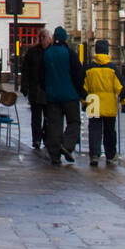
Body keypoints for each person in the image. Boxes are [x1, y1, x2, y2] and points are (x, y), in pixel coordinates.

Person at [41, 26, 85, 165]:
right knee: (74, 122)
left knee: (54, 125)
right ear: (65, 38)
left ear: (54, 38)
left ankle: (55, 156)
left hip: (52, 96)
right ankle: (67, 145)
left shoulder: (47, 53)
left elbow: (40, 75)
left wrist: (47, 89)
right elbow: (78, 75)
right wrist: (80, 92)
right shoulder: (70, 53)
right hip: (70, 95)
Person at [82, 38, 125, 167]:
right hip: (109, 104)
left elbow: (84, 88)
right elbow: (121, 87)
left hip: (94, 102)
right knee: (109, 131)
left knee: (94, 130)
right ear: (107, 52)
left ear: (96, 51)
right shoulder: (112, 69)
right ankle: (110, 154)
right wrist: (124, 101)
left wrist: (83, 102)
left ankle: (95, 155)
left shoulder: (89, 69)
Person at [20, 27, 51, 152]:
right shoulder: (32, 52)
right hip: (35, 89)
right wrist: (24, 86)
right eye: (41, 37)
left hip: (48, 90)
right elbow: (25, 70)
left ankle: (46, 138)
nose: (43, 40)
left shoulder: (51, 51)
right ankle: (36, 139)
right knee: (36, 117)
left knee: (48, 117)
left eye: (45, 37)